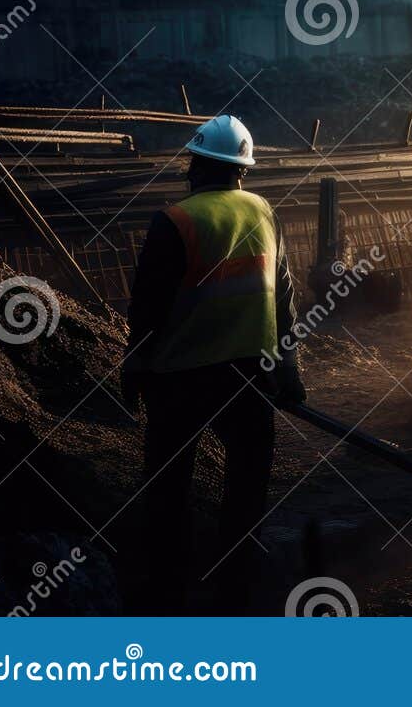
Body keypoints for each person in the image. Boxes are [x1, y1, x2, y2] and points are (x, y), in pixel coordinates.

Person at [122, 114, 304, 613]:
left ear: (194, 165)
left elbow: (148, 309)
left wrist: (134, 367)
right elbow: (285, 296)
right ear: (242, 170)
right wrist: (288, 367)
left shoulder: (175, 220)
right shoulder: (265, 212)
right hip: (250, 374)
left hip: (181, 377)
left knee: (168, 487)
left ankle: (166, 593)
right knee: (246, 486)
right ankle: (237, 589)